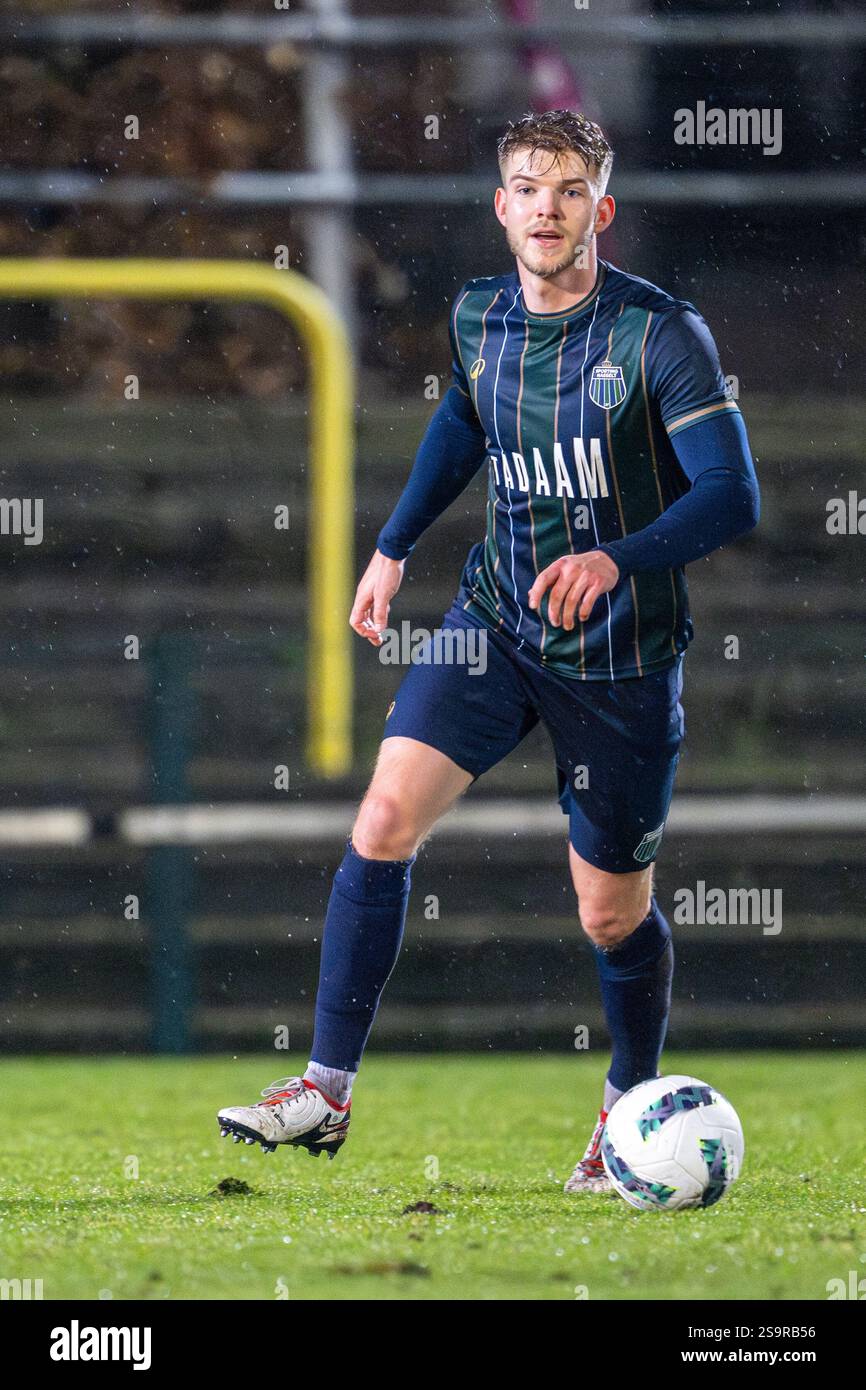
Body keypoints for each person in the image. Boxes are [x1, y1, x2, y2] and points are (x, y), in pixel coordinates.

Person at [217, 109, 759, 1192]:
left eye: (566, 190)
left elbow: (730, 495)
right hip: (495, 626)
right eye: (524, 185)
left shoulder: (657, 335)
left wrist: (617, 557)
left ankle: (622, 1113)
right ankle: (324, 1091)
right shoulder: (477, 318)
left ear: (598, 209)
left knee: (608, 909)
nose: (544, 207)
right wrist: (391, 546)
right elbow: (464, 423)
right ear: (499, 205)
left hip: (618, 661)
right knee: (380, 818)